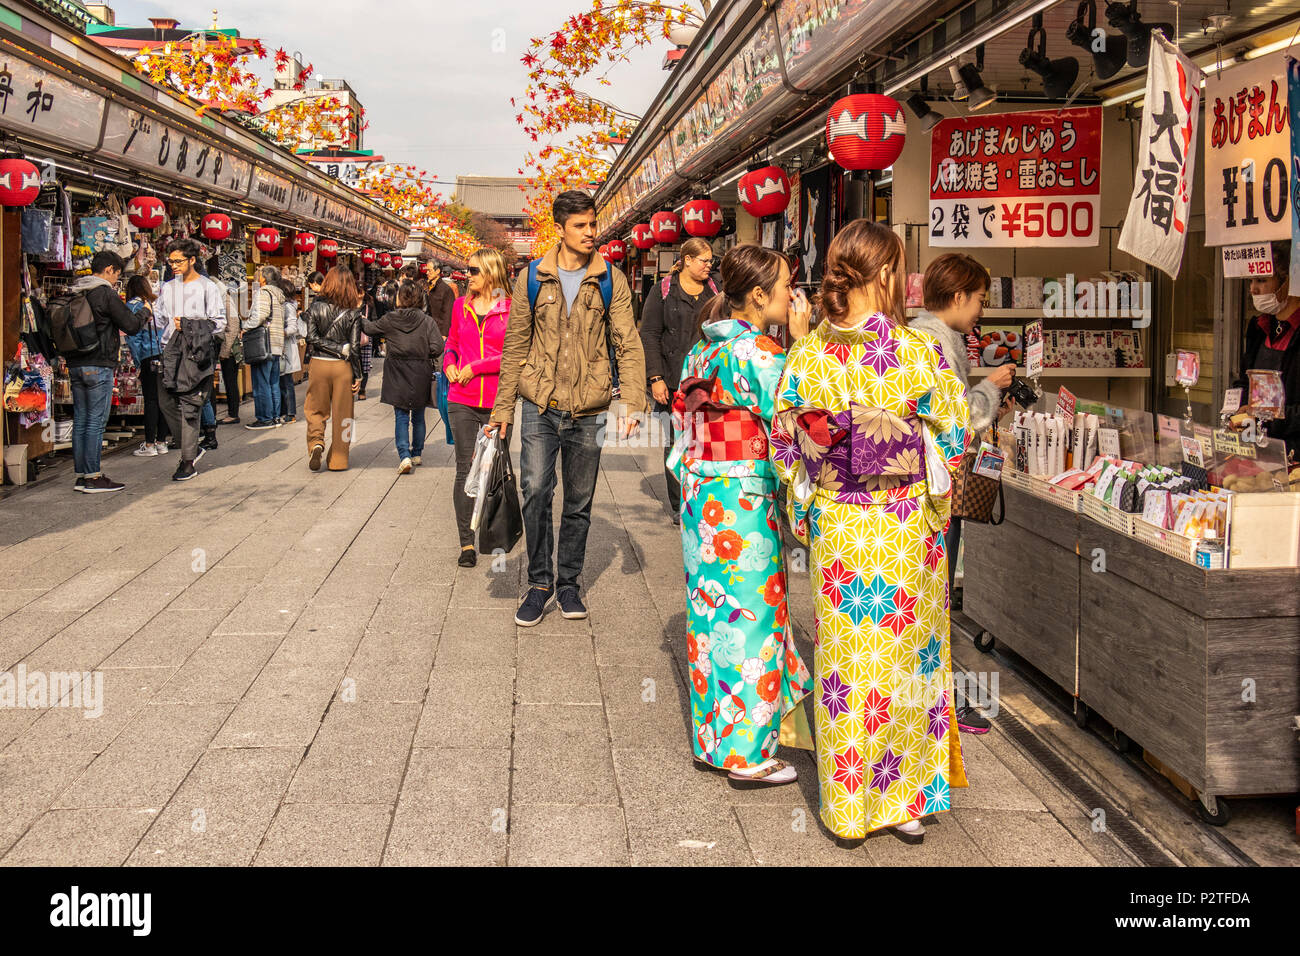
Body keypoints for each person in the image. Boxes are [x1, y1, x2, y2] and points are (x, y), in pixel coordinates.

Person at [770, 220, 969, 846]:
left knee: (847, 665)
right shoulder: (914, 352)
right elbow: (956, 433)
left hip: (841, 527)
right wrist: (914, 450)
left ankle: (847, 803)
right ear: (885, 276)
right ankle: (904, 798)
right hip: (905, 525)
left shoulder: (807, 353)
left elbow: (783, 443)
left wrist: (811, 501)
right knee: (907, 661)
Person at [669, 243, 813, 786]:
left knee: (712, 618)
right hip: (741, 501)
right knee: (751, 615)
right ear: (758, 295)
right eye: (783, 288)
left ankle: (715, 740)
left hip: (702, 493)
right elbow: (794, 420)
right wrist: (802, 348)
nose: (791, 296)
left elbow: (687, 420)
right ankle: (748, 754)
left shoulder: (703, 351)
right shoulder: (761, 354)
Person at [487, 189, 646, 626]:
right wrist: (502, 410)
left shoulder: (610, 278)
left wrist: (631, 400)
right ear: (560, 229)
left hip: (589, 409)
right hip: (539, 404)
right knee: (536, 490)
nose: (590, 233)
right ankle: (539, 583)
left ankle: (568, 582)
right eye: (580, 226)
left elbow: (627, 342)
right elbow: (516, 343)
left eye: (592, 224)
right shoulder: (532, 278)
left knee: (579, 500)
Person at [908, 253, 1014, 736]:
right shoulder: (934, 341)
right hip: (934, 488)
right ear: (956, 297)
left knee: (930, 598)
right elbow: (953, 419)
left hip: (922, 485)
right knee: (934, 596)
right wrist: (990, 388)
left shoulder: (924, 334)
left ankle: (939, 698)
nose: (980, 312)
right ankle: (939, 703)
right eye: (978, 300)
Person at [640, 236, 718, 525]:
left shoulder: (715, 289)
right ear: (686, 260)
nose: (709, 265)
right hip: (673, 379)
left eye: (711, 261)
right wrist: (655, 377)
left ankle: (706, 499)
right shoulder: (662, 291)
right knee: (677, 441)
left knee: (708, 439)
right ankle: (679, 504)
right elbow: (649, 334)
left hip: (709, 379)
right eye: (704, 260)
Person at [445, 247, 512, 567]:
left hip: (499, 402)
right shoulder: (460, 306)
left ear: (490, 273)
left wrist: (478, 367)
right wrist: (449, 364)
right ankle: (466, 543)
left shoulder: (511, 309)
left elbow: (514, 354)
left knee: (493, 470)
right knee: (464, 468)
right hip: (461, 399)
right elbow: (452, 344)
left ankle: (492, 530)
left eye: (472, 271)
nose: (467, 276)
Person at [65, 251, 142, 492]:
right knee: (96, 422)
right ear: (109, 270)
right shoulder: (104, 293)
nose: (115, 280)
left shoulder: (76, 291)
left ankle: (82, 474)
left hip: (75, 364)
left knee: (81, 420)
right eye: (116, 274)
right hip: (98, 364)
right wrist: (145, 312)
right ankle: (93, 476)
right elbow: (130, 325)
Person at [153, 239, 226, 482]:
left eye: (178, 261)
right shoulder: (167, 287)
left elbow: (219, 323)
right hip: (168, 350)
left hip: (195, 353)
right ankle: (191, 446)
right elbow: (160, 318)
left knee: (191, 406)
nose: (173, 265)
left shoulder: (208, 287)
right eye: (170, 261)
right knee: (166, 402)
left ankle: (187, 461)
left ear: (192, 260)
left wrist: (189, 325)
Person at [363, 279, 444, 475]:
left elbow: (370, 329)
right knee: (418, 415)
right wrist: (424, 352)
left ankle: (404, 455)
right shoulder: (427, 321)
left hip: (396, 371)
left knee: (400, 415)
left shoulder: (391, 318)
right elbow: (437, 347)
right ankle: (416, 453)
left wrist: (361, 318)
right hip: (420, 371)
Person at [1243, 240, 1300, 459]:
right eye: (1251, 280)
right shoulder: (1258, 328)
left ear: (1288, 282)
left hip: (1292, 456)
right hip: (1255, 448)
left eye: (1261, 280)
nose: (1252, 289)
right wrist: (1238, 409)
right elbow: (1243, 380)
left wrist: (1268, 418)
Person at [304, 265, 364, 471]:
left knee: (314, 409)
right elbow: (355, 347)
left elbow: (311, 338)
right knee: (345, 414)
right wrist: (358, 375)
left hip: (319, 364)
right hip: (343, 368)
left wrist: (333, 347)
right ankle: (340, 459)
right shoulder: (354, 313)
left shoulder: (314, 308)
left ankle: (316, 442)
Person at [125, 274, 168, 458]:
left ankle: (150, 443)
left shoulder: (134, 306)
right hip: (162, 354)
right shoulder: (156, 304)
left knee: (150, 400)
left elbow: (133, 337)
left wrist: (137, 362)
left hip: (147, 355)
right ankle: (162, 441)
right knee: (162, 399)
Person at [244, 265, 286, 429]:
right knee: (273, 382)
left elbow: (260, 315)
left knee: (261, 382)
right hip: (276, 343)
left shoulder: (263, 292)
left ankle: (265, 418)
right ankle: (275, 416)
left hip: (264, 344)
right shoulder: (279, 294)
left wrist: (246, 327)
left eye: (259, 275)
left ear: (264, 278)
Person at [278, 278, 302, 424]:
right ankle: (284, 410)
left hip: (286, 347)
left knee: (286, 382)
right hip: (282, 347)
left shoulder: (288, 307)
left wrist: (279, 332)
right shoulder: (285, 305)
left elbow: (293, 328)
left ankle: (290, 412)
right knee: (282, 381)